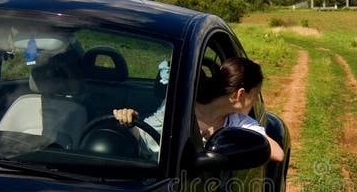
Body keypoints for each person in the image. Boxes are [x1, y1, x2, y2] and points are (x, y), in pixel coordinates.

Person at [113, 55, 284, 162]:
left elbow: (278, 153)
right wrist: (129, 122)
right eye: (255, 96)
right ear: (240, 95)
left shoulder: (238, 122)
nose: (255, 103)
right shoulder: (179, 102)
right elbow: (144, 138)